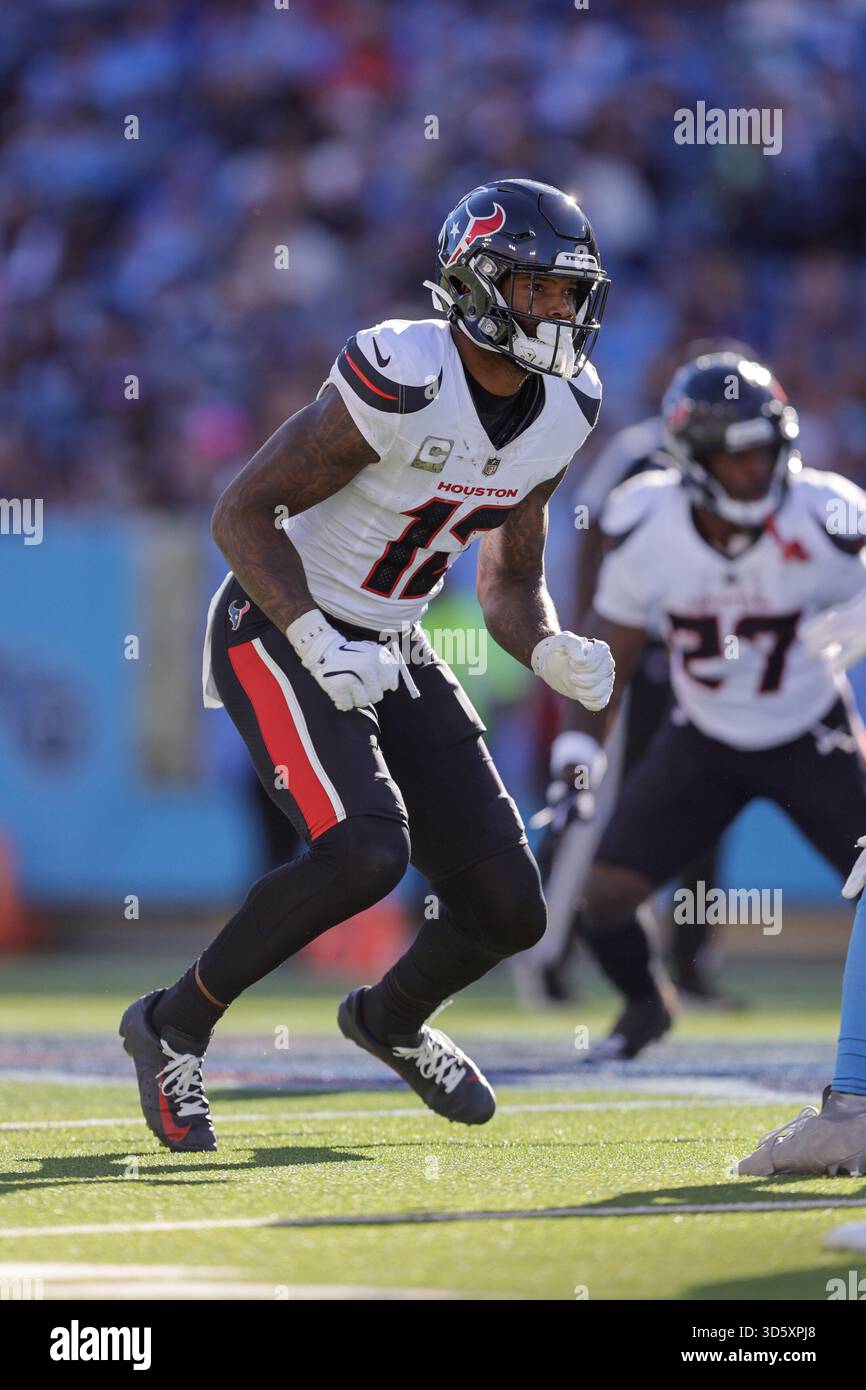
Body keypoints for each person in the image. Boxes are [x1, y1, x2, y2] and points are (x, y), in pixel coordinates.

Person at [119, 177, 615, 1150]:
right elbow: (239, 513)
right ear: (476, 285)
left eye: (569, 293)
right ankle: (171, 1023)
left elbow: (509, 577)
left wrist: (546, 644)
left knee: (508, 906)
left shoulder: (564, 408)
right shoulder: (403, 373)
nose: (558, 312)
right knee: (363, 850)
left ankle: (387, 1017)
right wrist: (312, 635)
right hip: (276, 618)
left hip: (394, 635)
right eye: (537, 289)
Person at [554, 350, 866, 1076]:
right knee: (603, 896)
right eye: (739, 458)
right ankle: (646, 1003)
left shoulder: (829, 515)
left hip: (808, 729)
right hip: (704, 736)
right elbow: (609, 652)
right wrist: (579, 756)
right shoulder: (647, 524)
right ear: (693, 461)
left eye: (766, 451)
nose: (758, 471)